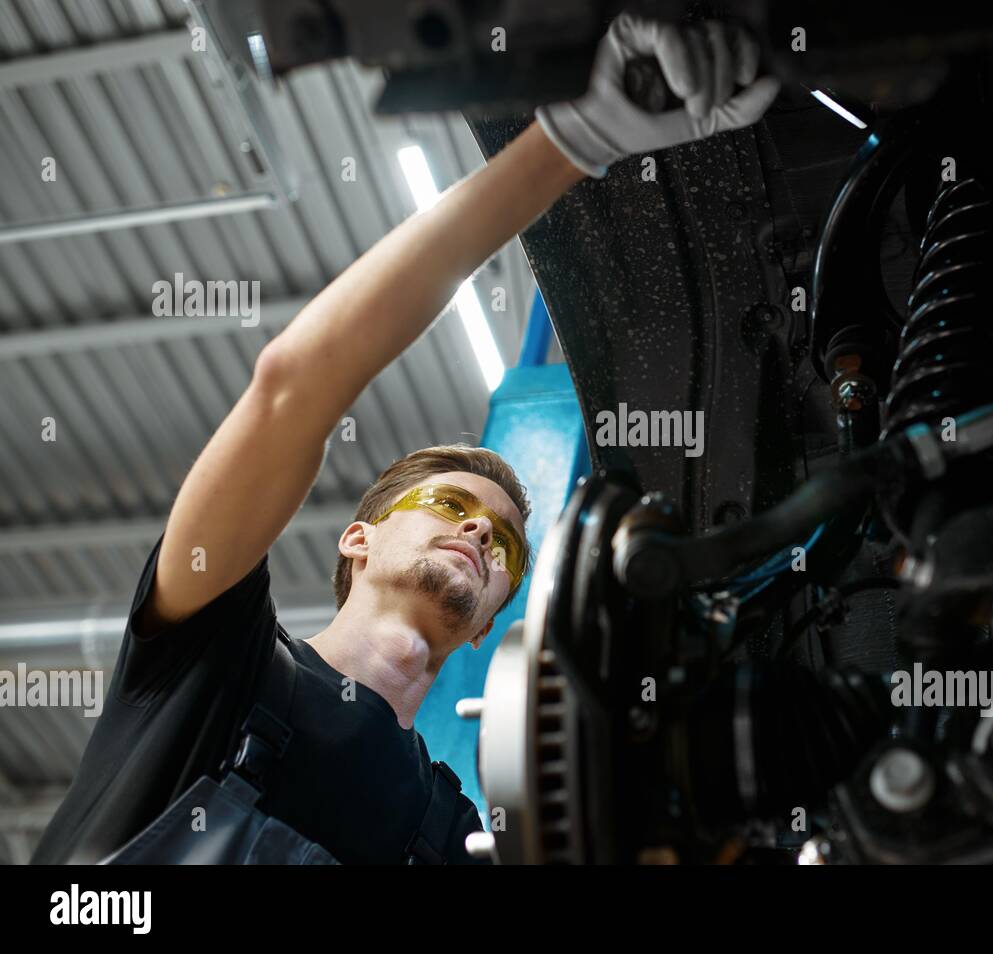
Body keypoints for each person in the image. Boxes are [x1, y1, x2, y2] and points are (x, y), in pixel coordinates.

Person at [30, 13, 779, 865]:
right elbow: (293, 386)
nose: (478, 534)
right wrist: (580, 138)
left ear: (492, 623)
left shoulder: (456, 830)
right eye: (453, 506)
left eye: (502, 543)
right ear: (358, 536)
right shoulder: (209, 658)